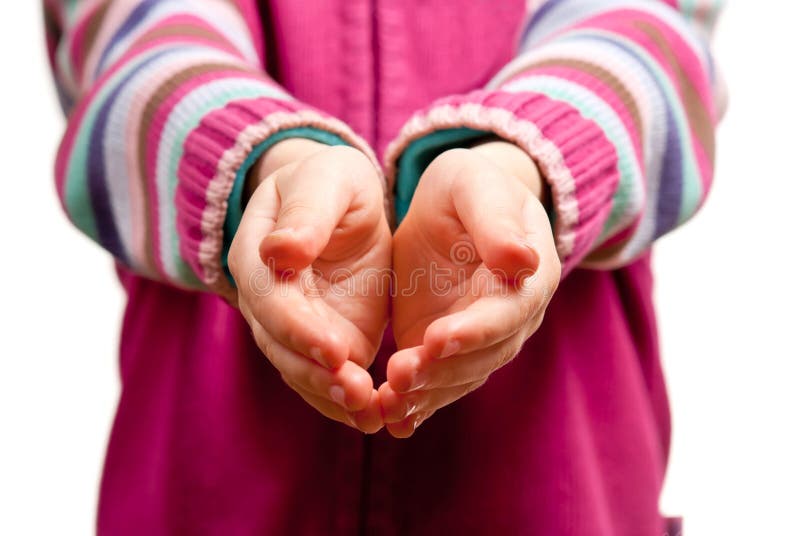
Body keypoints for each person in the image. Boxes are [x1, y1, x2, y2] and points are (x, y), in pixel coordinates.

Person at [44, 0, 725, 533]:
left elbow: (654, 47)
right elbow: (131, 54)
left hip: (555, 490)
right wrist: (264, 168)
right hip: (209, 491)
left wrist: (521, 167)